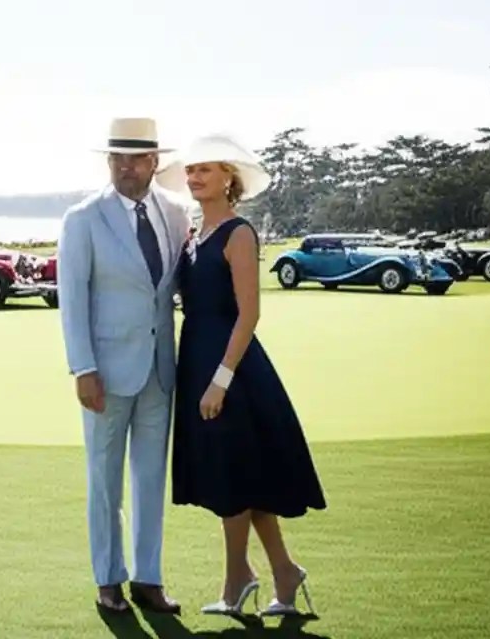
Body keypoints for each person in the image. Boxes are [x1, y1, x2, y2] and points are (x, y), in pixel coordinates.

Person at [158, 134, 326, 618]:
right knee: (244, 478)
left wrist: (222, 379)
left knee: (232, 477)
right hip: (198, 361)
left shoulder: (238, 233)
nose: (194, 177)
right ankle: (283, 572)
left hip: (232, 370)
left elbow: (248, 314)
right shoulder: (195, 235)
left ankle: (237, 582)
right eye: (191, 171)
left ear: (228, 178)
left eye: (205, 170)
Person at [57, 118, 193, 614]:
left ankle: (148, 578)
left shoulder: (176, 215)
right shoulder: (83, 219)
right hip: (105, 375)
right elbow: (71, 299)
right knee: (104, 479)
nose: (125, 167)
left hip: (161, 371)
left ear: (155, 162)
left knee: (151, 477)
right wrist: (82, 368)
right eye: (117, 158)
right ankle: (108, 578)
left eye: (136, 158)